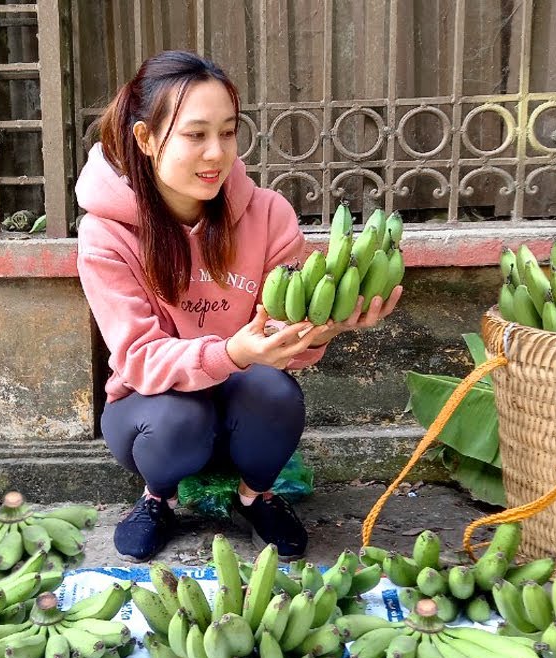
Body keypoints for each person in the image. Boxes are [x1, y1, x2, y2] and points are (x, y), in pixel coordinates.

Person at [75, 50, 402, 562]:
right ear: (146, 138)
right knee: (178, 419)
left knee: (275, 393)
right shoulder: (105, 234)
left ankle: (255, 496)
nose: (216, 153)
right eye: (195, 135)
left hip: (241, 405)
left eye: (228, 132)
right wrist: (231, 352)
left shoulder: (267, 214)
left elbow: (284, 339)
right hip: (150, 409)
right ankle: (158, 498)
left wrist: (325, 328)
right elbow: (137, 356)